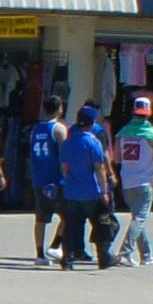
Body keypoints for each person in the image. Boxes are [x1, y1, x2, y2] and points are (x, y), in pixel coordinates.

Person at [53, 102, 116, 269]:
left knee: (71, 226)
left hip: (72, 192)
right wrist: (104, 191)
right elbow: (99, 168)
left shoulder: (68, 142)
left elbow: (64, 167)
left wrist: (70, 180)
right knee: (100, 223)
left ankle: (67, 258)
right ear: (92, 123)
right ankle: (103, 258)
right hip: (91, 191)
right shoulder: (93, 142)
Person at [112, 94, 153, 267]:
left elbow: (116, 159)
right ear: (149, 112)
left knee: (137, 218)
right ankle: (125, 252)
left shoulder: (122, 133)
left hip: (127, 181)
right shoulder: (152, 134)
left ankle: (146, 254)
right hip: (144, 181)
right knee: (140, 218)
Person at [26, 93, 69, 266]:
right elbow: (65, 154)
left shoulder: (35, 129)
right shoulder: (58, 129)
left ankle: (39, 253)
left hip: (39, 178)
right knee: (67, 215)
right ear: (60, 109)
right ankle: (56, 244)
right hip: (57, 179)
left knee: (40, 219)